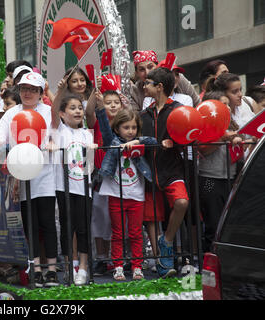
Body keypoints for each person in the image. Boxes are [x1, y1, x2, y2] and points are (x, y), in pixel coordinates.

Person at [0, 71, 59, 288]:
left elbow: (58, 134)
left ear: (40, 92)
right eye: (24, 89)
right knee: (30, 224)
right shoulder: (12, 113)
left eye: (33, 90)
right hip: (22, 174)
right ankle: (35, 268)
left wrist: (51, 142)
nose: (28, 93)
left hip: (45, 173)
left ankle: (52, 270)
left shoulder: (48, 111)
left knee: (47, 222)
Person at [95, 102, 158, 281]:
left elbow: (153, 141)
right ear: (118, 128)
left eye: (133, 127)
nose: (130, 131)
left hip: (136, 195)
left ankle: (137, 266)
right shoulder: (112, 141)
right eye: (126, 127)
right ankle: (118, 266)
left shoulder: (139, 143)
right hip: (116, 195)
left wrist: (138, 141)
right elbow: (105, 129)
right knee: (118, 233)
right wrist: (101, 108)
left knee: (136, 232)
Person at [140, 67, 189, 278]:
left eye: (148, 83)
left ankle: (167, 241)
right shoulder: (144, 115)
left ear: (159, 87)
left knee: (182, 203)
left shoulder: (179, 110)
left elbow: (190, 137)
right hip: (149, 174)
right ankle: (162, 262)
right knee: (152, 219)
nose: (144, 86)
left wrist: (176, 142)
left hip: (172, 171)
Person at [51, 77, 96, 285]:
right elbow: (52, 111)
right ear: (62, 113)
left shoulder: (87, 134)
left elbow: (89, 165)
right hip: (64, 188)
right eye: (72, 108)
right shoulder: (60, 130)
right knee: (68, 228)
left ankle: (84, 268)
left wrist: (91, 152)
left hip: (84, 188)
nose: (78, 111)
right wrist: (59, 91)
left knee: (83, 227)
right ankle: (70, 266)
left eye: (80, 108)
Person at [198, 91, 245, 253]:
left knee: (230, 222)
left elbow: (241, 152)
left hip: (231, 179)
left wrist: (240, 141)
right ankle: (209, 258)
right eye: (222, 104)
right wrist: (222, 139)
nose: (227, 107)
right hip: (210, 179)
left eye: (227, 104)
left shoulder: (233, 125)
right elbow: (202, 150)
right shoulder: (205, 127)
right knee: (213, 222)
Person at [85, 87, 126, 275]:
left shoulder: (126, 124)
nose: (112, 106)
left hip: (122, 176)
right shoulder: (97, 123)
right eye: (108, 103)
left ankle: (118, 258)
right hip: (101, 175)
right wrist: (95, 95)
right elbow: (88, 112)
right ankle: (102, 258)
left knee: (118, 219)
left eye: (116, 102)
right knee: (100, 217)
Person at [130, 50, 200, 111]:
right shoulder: (135, 91)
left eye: (150, 67)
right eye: (142, 69)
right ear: (137, 73)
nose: (147, 72)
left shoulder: (178, 79)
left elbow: (198, 104)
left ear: (157, 67)